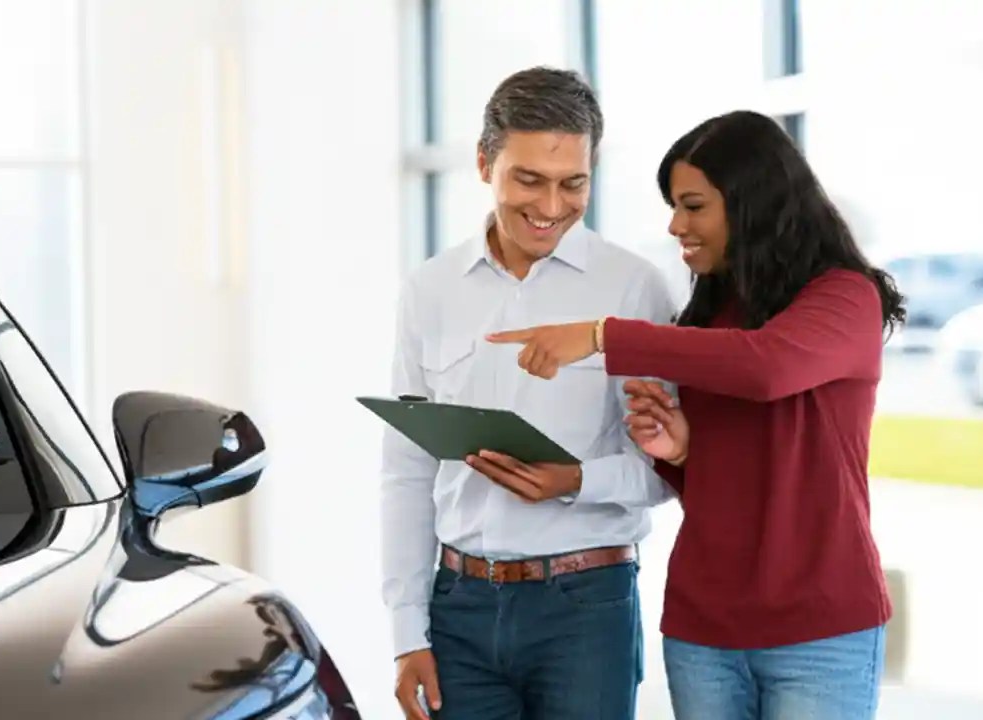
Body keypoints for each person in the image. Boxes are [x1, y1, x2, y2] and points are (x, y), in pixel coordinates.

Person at [487, 109, 906, 720]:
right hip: (705, 629)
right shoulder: (708, 315)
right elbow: (728, 477)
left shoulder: (844, 297)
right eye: (674, 206)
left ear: (750, 204)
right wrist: (681, 454)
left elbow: (767, 368)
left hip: (820, 631)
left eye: (692, 205)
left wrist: (604, 335)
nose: (676, 224)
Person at [379, 66, 678, 720]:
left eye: (573, 183)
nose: (550, 207)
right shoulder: (430, 290)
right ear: (485, 163)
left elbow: (667, 470)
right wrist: (408, 631)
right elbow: (406, 469)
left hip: (584, 608)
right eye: (529, 180)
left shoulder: (634, 290)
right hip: (456, 606)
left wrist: (572, 479)